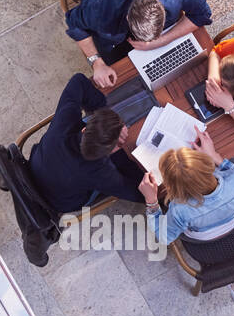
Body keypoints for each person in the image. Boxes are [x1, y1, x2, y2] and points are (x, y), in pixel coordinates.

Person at [65, 0, 214, 88]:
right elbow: (74, 25)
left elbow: (202, 13)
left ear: (160, 4)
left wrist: (161, 41)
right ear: (128, 17)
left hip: (156, 39)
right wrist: (97, 63)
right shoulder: (98, 5)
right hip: (112, 40)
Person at [28, 73, 156, 216]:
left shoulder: (64, 122)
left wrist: (104, 115)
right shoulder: (100, 173)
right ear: (112, 150)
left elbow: (77, 80)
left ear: (84, 129)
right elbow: (137, 192)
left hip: (37, 168)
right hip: (60, 201)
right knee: (130, 168)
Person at [142, 127, 234, 244]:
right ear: (208, 163)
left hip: (204, 240)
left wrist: (151, 201)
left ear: (171, 186)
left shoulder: (179, 211)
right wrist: (215, 155)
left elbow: (163, 237)